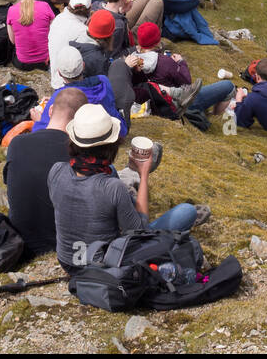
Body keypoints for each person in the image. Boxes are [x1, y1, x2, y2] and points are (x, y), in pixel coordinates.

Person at [49, 103, 201, 274]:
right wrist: (144, 175)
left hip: (67, 262)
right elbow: (139, 232)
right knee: (187, 212)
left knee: (112, 172)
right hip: (102, 266)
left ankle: (130, 188)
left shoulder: (56, 170)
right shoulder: (113, 188)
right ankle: (137, 176)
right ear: (112, 145)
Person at [5, 86, 88, 258]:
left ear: (50, 111)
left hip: (22, 242)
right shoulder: (81, 154)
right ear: (80, 121)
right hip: (65, 242)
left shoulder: (17, 144)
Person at [48, 0, 94, 89]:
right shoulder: (83, 31)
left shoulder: (58, 19)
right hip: (68, 83)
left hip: (56, 75)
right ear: (90, 7)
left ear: (69, 4)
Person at [8, 0, 55, 71]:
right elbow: (54, 33)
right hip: (45, 62)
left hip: (22, 63)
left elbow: (13, 41)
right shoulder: (45, 6)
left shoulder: (11, 10)